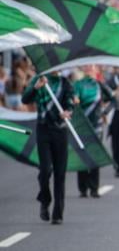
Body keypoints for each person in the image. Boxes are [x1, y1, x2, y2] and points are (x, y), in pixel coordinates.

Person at [22, 72, 76, 224]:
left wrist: (68, 111)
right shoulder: (38, 79)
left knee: (60, 173)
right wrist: (36, 88)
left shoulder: (64, 82)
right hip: (43, 129)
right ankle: (45, 200)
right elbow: (25, 99)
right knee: (45, 170)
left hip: (60, 130)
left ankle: (58, 214)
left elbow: (71, 100)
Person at [74, 66, 111, 197]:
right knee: (83, 156)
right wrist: (75, 101)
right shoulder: (78, 84)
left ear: (97, 70)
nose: (90, 69)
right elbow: (74, 100)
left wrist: (104, 112)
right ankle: (82, 189)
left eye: (92, 67)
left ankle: (94, 188)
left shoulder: (100, 85)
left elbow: (112, 98)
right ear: (83, 69)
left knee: (95, 156)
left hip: (97, 125)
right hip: (82, 125)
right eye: (87, 67)